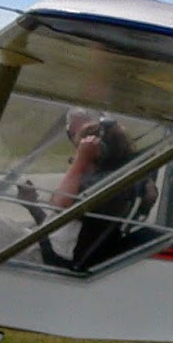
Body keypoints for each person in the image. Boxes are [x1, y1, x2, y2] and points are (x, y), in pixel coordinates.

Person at [15, 108, 158, 270]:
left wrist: (81, 161)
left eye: (79, 150)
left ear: (98, 153)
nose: (74, 157)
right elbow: (65, 231)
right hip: (44, 247)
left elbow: (59, 204)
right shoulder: (116, 184)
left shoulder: (102, 186)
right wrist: (32, 206)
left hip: (44, 256)